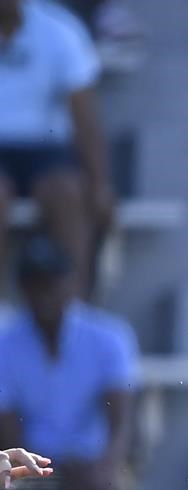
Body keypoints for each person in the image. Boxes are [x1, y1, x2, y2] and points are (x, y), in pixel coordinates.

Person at [0, 231, 136, 490]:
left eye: (51, 280)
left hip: (93, 463)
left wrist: (106, 466)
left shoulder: (108, 336)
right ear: (23, 288)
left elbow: (120, 421)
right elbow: (8, 427)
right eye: (35, 282)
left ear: (70, 282)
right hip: (37, 464)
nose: (43, 291)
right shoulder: (6, 343)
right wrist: (37, 472)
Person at [0, 0, 112, 299]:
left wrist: (100, 183)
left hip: (47, 147)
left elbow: (85, 115)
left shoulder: (59, 31)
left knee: (68, 194)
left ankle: (71, 308)